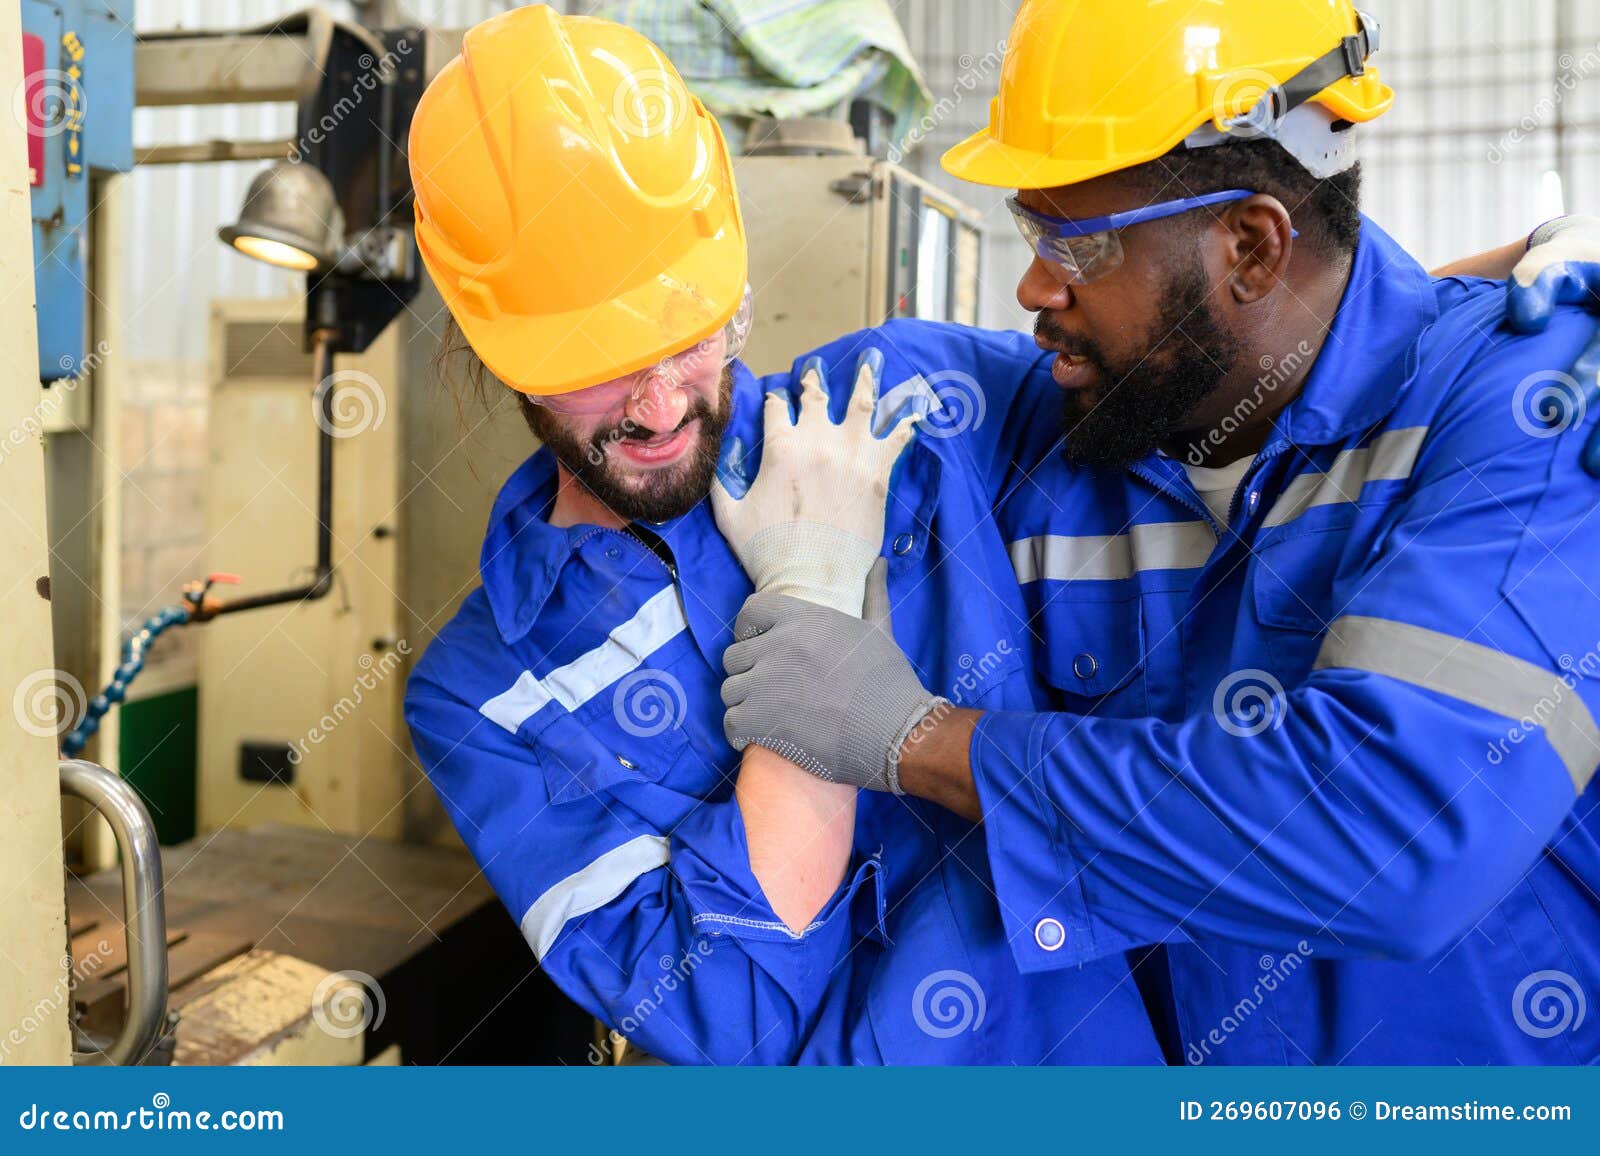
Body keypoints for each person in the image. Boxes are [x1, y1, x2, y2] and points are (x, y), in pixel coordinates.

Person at [717, 0, 1600, 1064]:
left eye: (1073, 245)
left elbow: (1390, 832)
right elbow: (696, 421)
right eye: (1029, 229)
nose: (1031, 286)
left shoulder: (1532, 413)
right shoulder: (1080, 421)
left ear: (1250, 246)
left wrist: (916, 740)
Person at [401, 4, 1163, 1066]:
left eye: (688, 335)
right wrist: (810, 597)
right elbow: (729, 1014)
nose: (661, 405)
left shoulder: (910, 404)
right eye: (596, 365)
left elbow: (1201, 400)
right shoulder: (483, 695)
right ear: (500, 352)